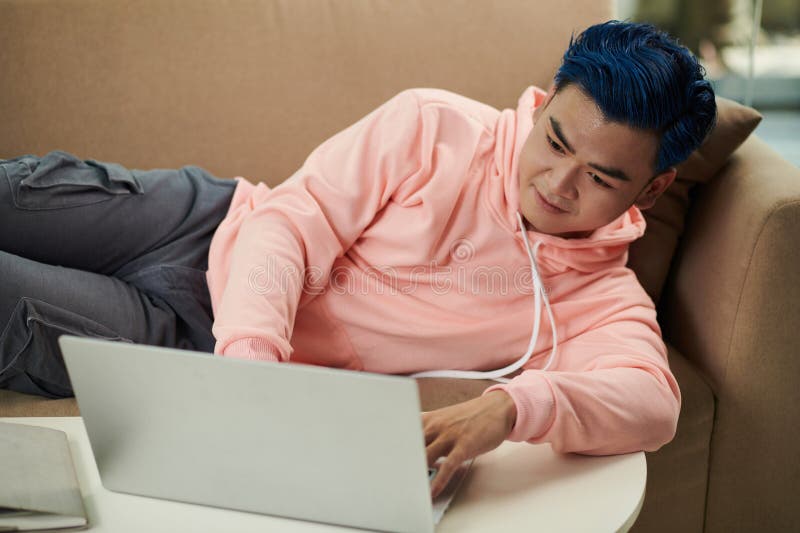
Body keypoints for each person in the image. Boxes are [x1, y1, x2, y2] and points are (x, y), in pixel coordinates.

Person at [0, 20, 716, 498]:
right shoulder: (434, 125)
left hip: (176, 339)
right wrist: (250, 366)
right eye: (557, 141)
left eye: (602, 176)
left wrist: (511, 407)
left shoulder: (597, 299)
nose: (558, 184)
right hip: (202, 220)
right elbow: (292, 219)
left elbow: (653, 403)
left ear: (650, 190)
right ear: (542, 103)